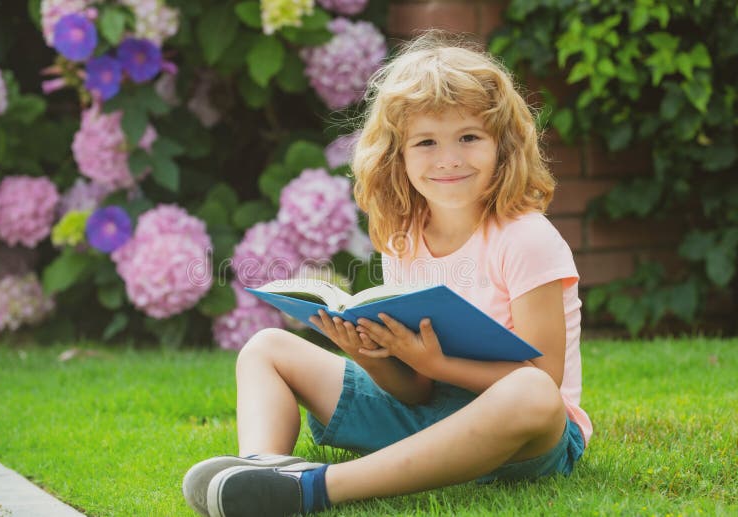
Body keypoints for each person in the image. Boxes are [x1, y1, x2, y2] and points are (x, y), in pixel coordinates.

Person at [182, 30, 592, 517]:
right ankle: (260, 473)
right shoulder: (405, 238)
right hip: (429, 415)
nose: (449, 158)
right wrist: (373, 356)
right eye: (426, 142)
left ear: (503, 145)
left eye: (469, 137)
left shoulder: (526, 237)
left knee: (533, 393)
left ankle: (314, 489)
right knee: (266, 348)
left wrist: (438, 365)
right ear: (397, 155)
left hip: (521, 436)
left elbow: (545, 379)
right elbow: (415, 390)